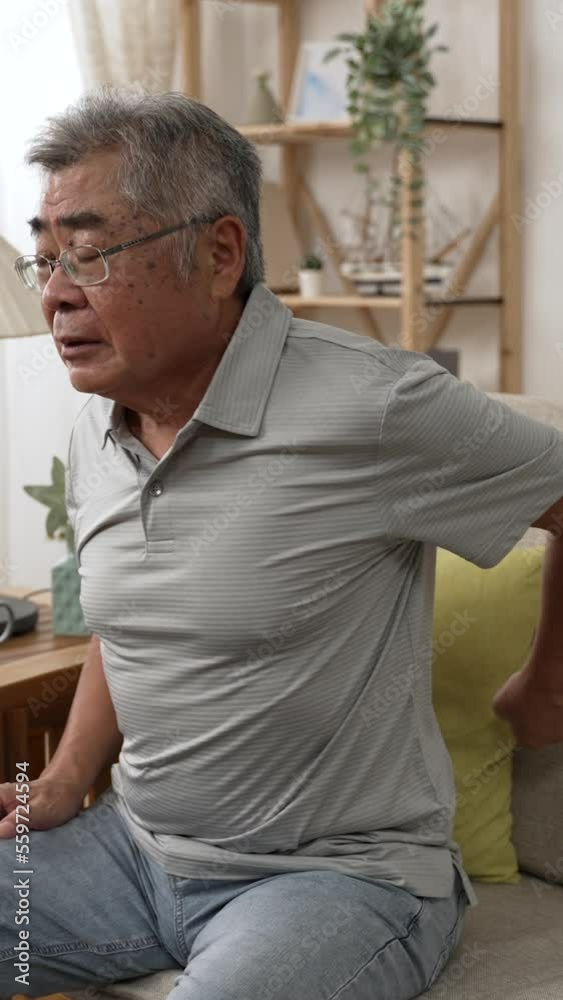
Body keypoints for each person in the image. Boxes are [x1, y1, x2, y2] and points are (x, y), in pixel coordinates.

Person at [1, 89, 562, 1000]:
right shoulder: (94, 429)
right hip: (128, 853)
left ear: (219, 254)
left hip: (341, 879)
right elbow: (123, 621)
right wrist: (65, 778)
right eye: (47, 257)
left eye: (92, 254)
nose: (57, 293)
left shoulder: (377, 405)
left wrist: (547, 683)